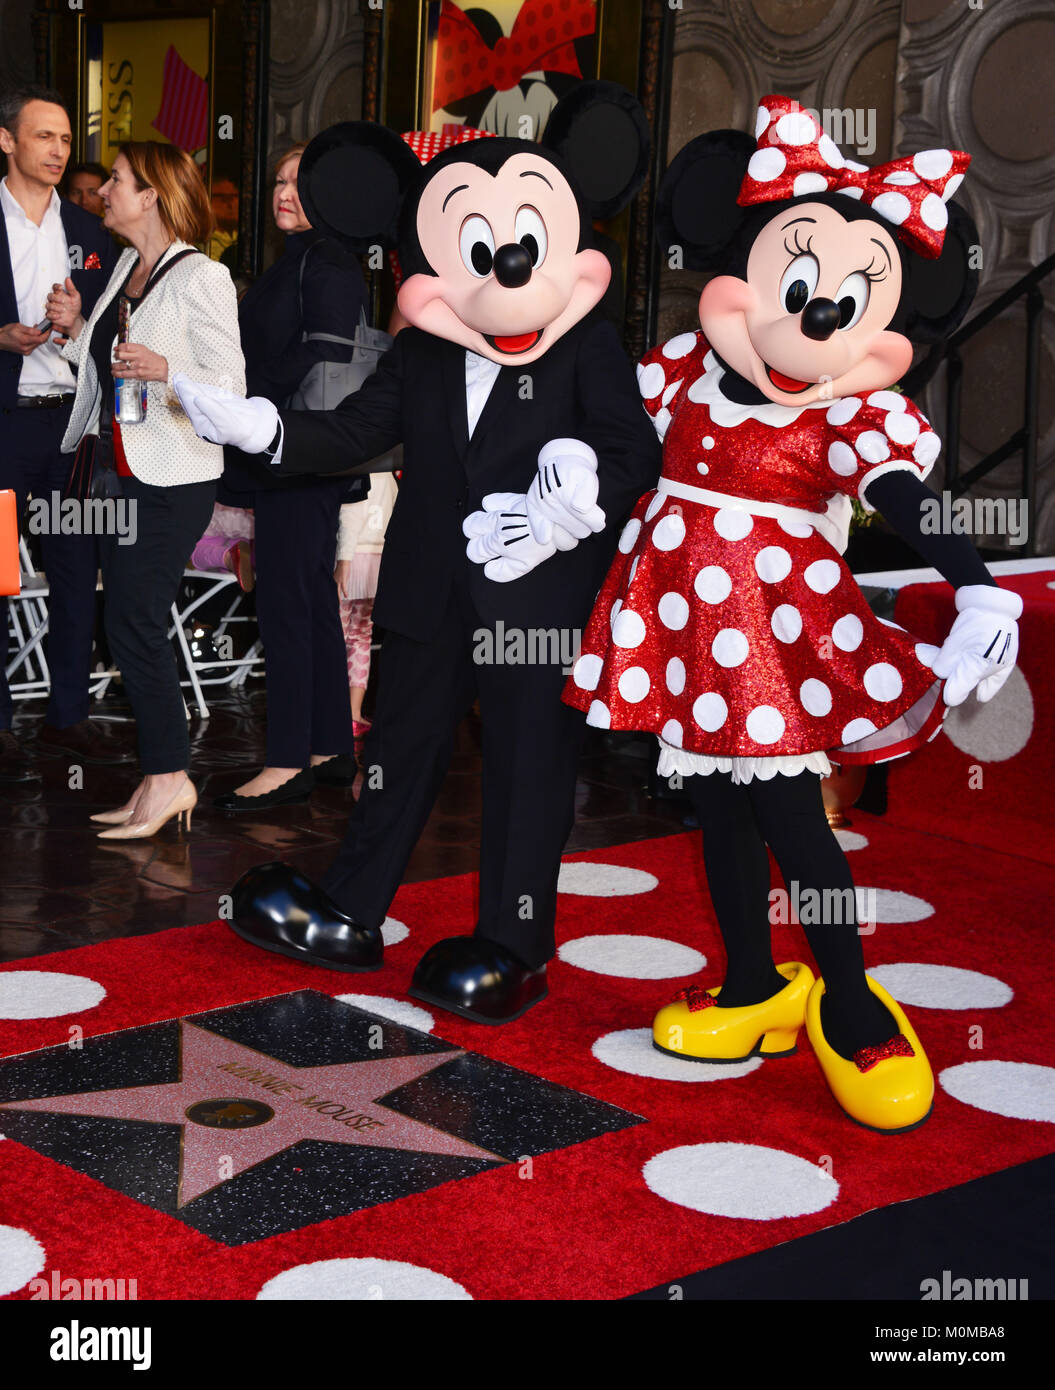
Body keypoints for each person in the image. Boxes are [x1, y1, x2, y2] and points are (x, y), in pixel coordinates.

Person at [564, 99, 1023, 1132]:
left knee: (788, 816)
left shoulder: (854, 409)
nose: (812, 317)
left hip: (777, 636)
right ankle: (749, 985)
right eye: (796, 281)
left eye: (846, 303)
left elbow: (901, 498)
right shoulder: (679, 368)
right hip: (681, 626)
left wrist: (976, 579)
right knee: (716, 809)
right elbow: (607, 431)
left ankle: (852, 1003)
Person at [174, 86, 660, 1025]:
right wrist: (259, 427)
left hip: (534, 600)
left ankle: (515, 947)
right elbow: (352, 429)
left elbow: (633, 447)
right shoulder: (426, 352)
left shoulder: (587, 344)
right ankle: (354, 908)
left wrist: (576, 488)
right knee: (396, 754)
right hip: (431, 589)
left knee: (528, 769)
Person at [46, 140, 245, 838]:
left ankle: (169, 778)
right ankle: (158, 776)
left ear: (152, 194)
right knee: (124, 623)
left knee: (134, 622)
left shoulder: (203, 278)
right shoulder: (129, 265)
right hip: (115, 474)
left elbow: (231, 389)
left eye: (118, 182)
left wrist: (168, 370)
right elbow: (106, 367)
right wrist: (75, 334)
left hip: (170, 480)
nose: (104, 192)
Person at [212, 140, 367, 811]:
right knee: (305, 601)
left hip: (298, 452)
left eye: (300, 183)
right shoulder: (302, 259)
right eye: (277, 180)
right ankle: (330, 746)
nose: (283, 193)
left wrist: (248, 403)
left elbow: (327, 353)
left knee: (285, 604)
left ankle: (285, 763)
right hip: (301, 453)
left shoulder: (325, 261)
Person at [0, 85, 123, 783]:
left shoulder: (89, 233)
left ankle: (67, 717)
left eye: (66, 139)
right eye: (43, 136)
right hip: (6, 423)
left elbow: (113, 332)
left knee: (78, 573)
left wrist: (81, 323)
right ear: (7, 140)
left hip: (70, 429)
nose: (57, 150)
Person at [335, 471, 398, 760]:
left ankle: (329, 715)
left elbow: (350, 512)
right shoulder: (390, 475)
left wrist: (341, 559)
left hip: (349, 559)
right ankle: (352, 714)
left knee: (335, 635)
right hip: (379, 562)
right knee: (361, 637)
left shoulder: (359, 470)